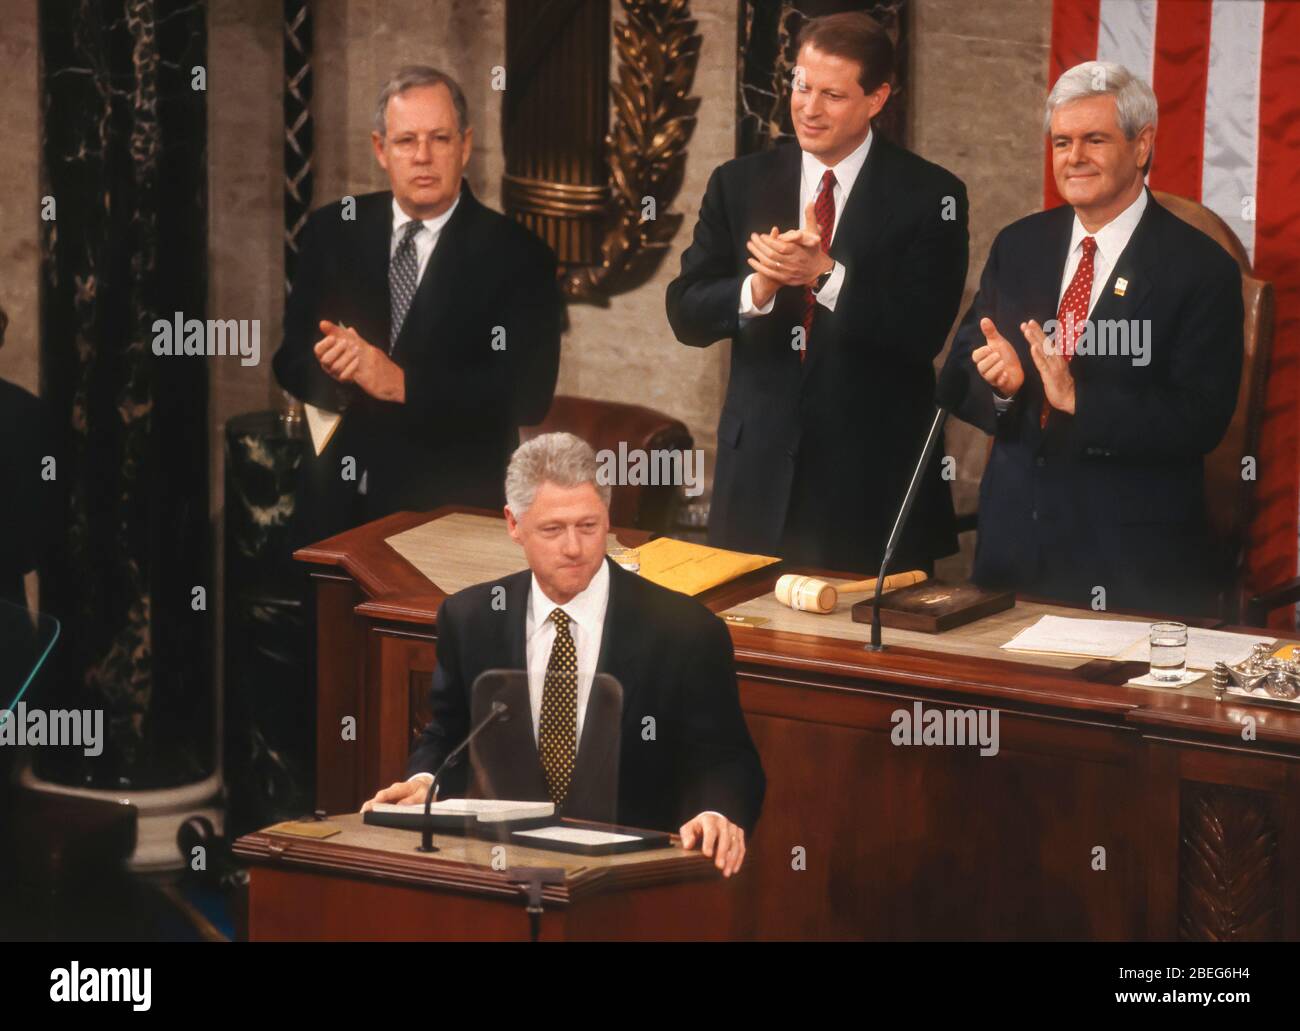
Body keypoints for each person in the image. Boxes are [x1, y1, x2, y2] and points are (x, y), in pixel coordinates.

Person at [363, 433, 765, 877]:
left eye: (588, 526)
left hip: (631, 878)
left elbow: (725, 758)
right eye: (553, 529)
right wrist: (425, 784)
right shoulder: (471, 618)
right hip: (505, 872)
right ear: (513, 525)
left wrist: (718, 812)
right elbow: (448, 733)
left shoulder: (684, 630)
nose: (573, 548)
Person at [666, 11, 968, 575]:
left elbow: (921, 332)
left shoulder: (932, 197)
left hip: (870, 490)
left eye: (832, 94)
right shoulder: (739, 182)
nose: (808, 107)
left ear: (877, 99)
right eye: (801, 86)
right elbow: (685, 312)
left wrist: (825, 276)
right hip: (754, 485)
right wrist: (758, 287)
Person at [941, 61, 1243, 617]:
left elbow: (1201, 419)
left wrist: (1079, 399)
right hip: (1011, 557)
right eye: (1061, 141)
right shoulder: (1020, 245)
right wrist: (1003, 385)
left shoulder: (1201, 269)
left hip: (1130, 566)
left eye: (1094, 139)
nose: (1073, 157)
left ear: (1142, 145)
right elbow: (958, 372)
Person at [273, 66, 563, 543]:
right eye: (406, 140)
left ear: (465, 146)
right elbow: (289, 360)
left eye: (440, 139)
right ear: (380, 150)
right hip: (336, 511)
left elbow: (529, 395)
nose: (423, 157)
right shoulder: (332, 231)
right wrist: (336, 368)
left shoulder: (519, 254)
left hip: (449, 517)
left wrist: (401, 383)